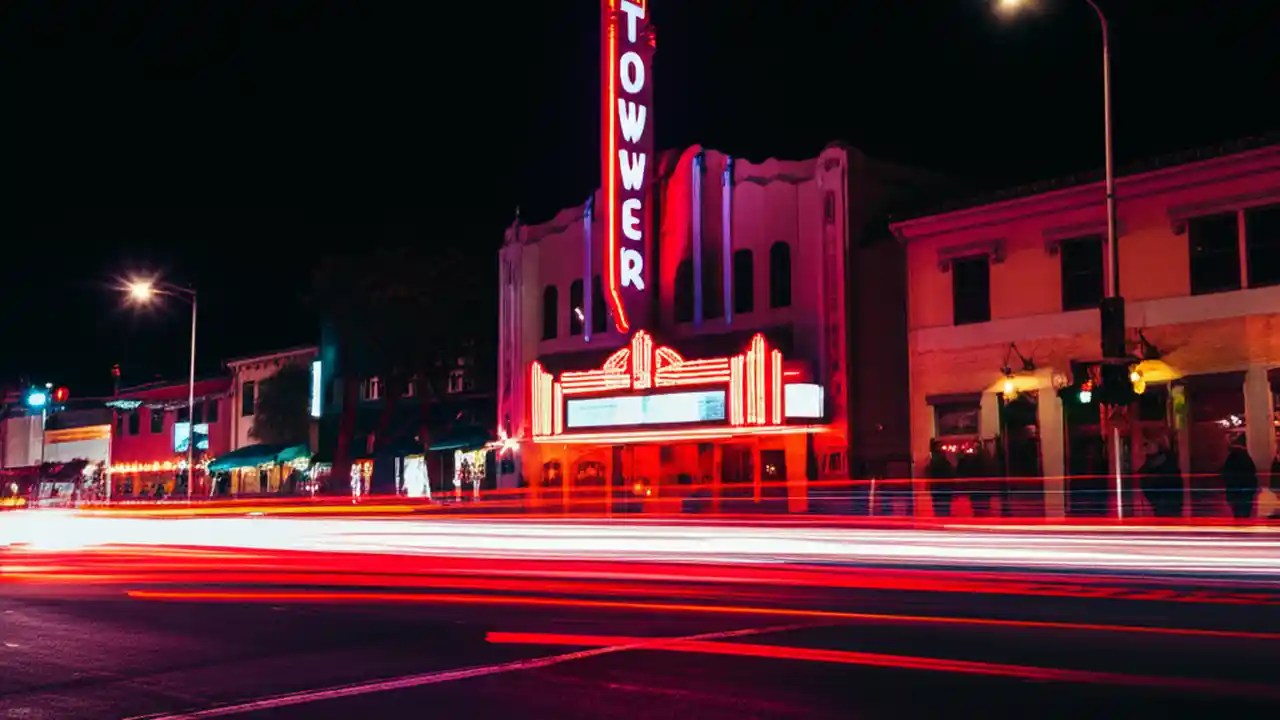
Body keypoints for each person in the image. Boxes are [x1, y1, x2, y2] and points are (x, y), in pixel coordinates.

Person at [1137, 438, 1182, 518]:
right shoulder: (1152, 463)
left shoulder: (1166, 464)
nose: (1145, 448)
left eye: (1148, 444)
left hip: (1167, 504)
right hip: (1162, 505)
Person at [1220, 437, 1257, 520]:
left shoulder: (1231, 458)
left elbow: (1226, 474)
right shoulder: (1246, 458)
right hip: (1246, 490)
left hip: (1235, 490)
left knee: (1238, 512)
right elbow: (1252, 473)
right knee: (1245, 511)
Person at [925, 441, 955, 518]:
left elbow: (930, 473)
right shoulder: (944, 461)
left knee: (939, 509)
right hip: (944, 488)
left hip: (937, 488)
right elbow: (950, 473)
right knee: (944, 508)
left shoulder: (933, 460)